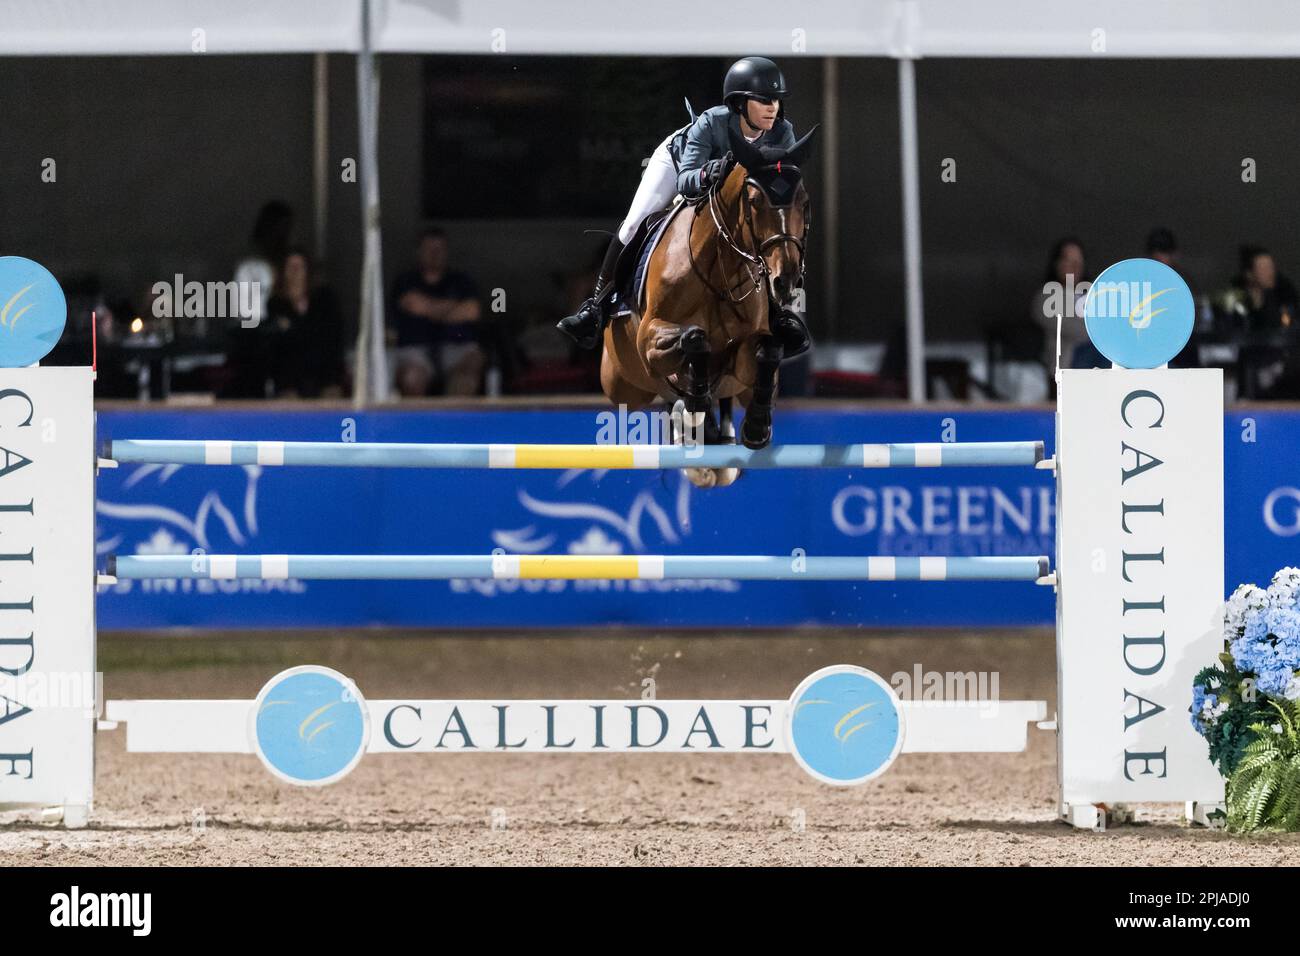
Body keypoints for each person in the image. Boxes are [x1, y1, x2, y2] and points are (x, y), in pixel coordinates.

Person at [556, 56, 811, 358]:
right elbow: (686, 181)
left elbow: (779, 189)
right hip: (676, 163)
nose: (773, 108)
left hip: (733, 196)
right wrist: (709, 172)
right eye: (764, 100)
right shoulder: (711, 123)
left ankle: (779, 314)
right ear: (740, 103)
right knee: (635, 223)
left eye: (777, 101)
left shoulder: (783, 132)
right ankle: (594, 310)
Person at [390, 227, 484, 396]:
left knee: (469, 373)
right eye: (429, 249)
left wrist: (427, 307)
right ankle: (418, 422)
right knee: (412, 378)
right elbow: (413, 304)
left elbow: (472, 311)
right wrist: (453, 308)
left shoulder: (461, 281)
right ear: (418, 252)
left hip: (457, 347)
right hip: (416, 350)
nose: (434, 254)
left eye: (439, 249)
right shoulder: (405, 281)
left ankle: (451, 421)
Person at [264, 249, 345, 398]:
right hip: (290, 379)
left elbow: (332, 339)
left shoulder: (324, 299)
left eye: (299, 267)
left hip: (324, 375)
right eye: (291, 267)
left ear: (307, 271)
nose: (295, 272)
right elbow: (277, 347)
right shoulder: (276, 304)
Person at [1032, 236, 1104, 369]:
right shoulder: (1046, 296)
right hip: (1069, 366)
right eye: (1068, 260)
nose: (1075, 266)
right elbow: (1082, 331)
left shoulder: (1094, 295)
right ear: (1056, 264)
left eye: (1078, 261)